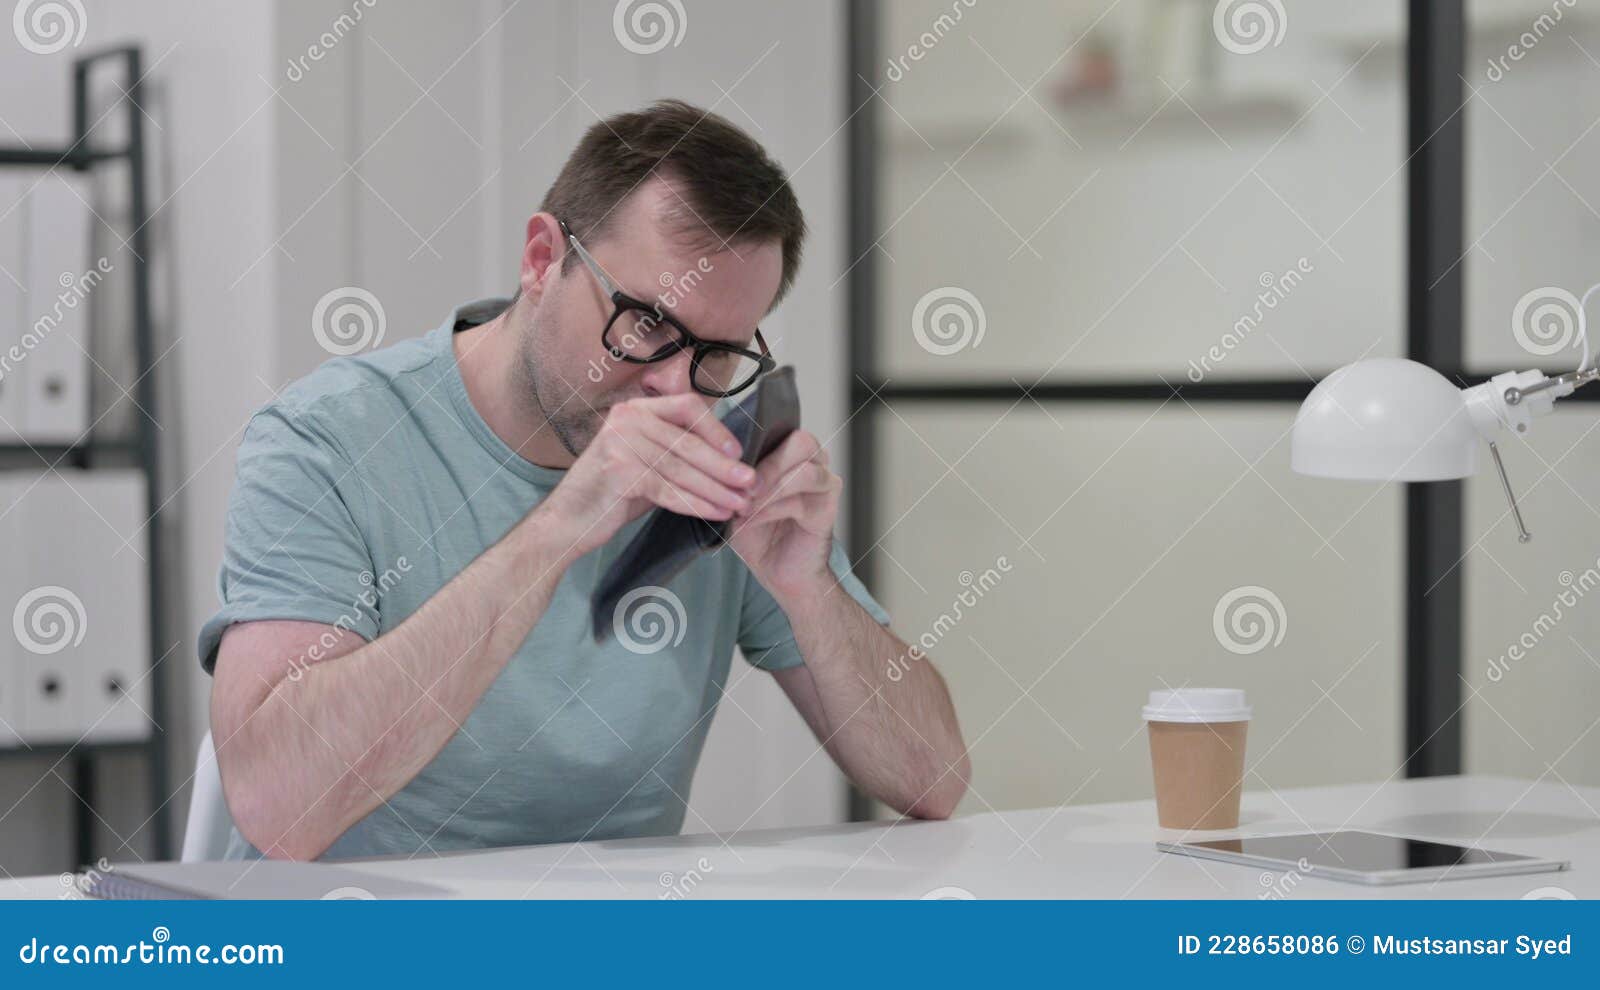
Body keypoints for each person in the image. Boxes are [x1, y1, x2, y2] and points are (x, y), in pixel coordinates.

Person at [203, 100, 970, 861]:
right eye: (645, 323)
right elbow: (279, 807)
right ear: (542, 260)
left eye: (718, 355)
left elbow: (933, 782)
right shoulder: (328, 439)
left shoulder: (721, 470)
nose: (676, 388)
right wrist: (559, 528)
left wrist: (810, 592)